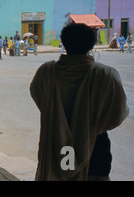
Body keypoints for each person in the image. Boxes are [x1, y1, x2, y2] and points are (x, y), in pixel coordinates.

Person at [30, 23, 128, 181]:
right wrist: (90, 127)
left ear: (63, 42)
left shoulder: (46, 73)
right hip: (95, 149)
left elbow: (39, 99)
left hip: (56, 147)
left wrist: (61, 123)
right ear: (92, 45)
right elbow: (117, 114)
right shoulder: (106, 75)